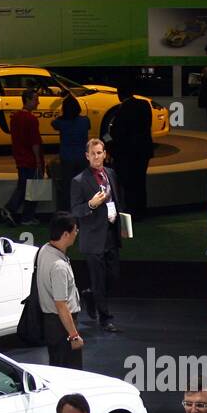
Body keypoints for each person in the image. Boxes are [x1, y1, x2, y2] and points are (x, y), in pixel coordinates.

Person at [70, 138, 125, 333]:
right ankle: (105, 318)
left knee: (114, 276)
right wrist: (91, 204)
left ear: (104, 153)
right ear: (87, 156)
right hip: (93, 237)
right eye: (93, 153)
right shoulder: (79, 181)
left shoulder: (111, 174)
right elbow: (75, 211)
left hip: (110, 233)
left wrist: (122, 221)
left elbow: (117, 200)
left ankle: (91, 294)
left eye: (99, 153)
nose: (96, 157)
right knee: (99, 279)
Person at [36, 212, 85, 369]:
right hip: (61, 327)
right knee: (70, 371)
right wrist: (74, 335)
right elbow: (61, 305)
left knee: (57, 366)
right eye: (75, 230)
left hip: (51, 325)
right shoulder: (59, 266)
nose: (76, 234)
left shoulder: (44, 250)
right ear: (65, 234)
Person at [107, 78, 154, 220]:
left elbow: (117, 133)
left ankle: (132, 212)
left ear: (120, 94)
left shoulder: (122, 111)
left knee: (128, 183)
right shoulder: (145, 105)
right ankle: (141, 210)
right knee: (140, 181)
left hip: (127, 153)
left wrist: (110, 146)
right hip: (143, 151)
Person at [0, 88, 44, 227]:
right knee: (34, 189)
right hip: (31, 160)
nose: (38, 102)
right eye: (35, 99)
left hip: (20, 158)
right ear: (28, 100)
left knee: (23, 187)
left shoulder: (15, 117)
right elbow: (34, 142)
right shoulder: (31, 119)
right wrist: (38, 161)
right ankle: (26, 216)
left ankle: (12, 210)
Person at [52, 94, 90, 213]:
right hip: (82, 156)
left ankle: (67, 210)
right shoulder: (85, 121)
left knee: (67, 186)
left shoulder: (60, 123)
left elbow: (53, 123)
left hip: (67, 157)